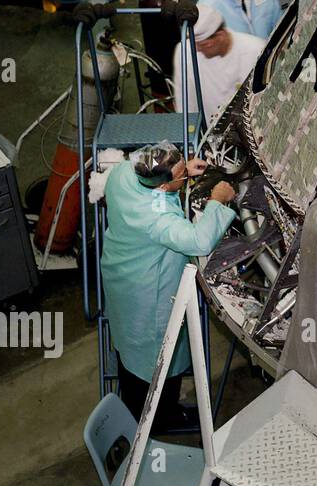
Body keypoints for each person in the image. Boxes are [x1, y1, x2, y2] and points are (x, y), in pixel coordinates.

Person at [100, 144, 236, 430]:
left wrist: (183, 171)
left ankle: (139, 409)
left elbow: (161, 194)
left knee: (131, 354)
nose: (184, 174)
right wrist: (217, 201)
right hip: (151, 299)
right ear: (163, 186)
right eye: (179, 176)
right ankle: (159, 419)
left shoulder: (124, 173)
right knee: (159, 360)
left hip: (122, 279)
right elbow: (199, 240)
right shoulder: (157, 219)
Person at [174, 5, 265, 123]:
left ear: (221, 36)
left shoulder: (256, 50)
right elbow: (184, 104)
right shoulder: (184, 52)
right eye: (193, 43)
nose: (196, 50)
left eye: (203, 44)